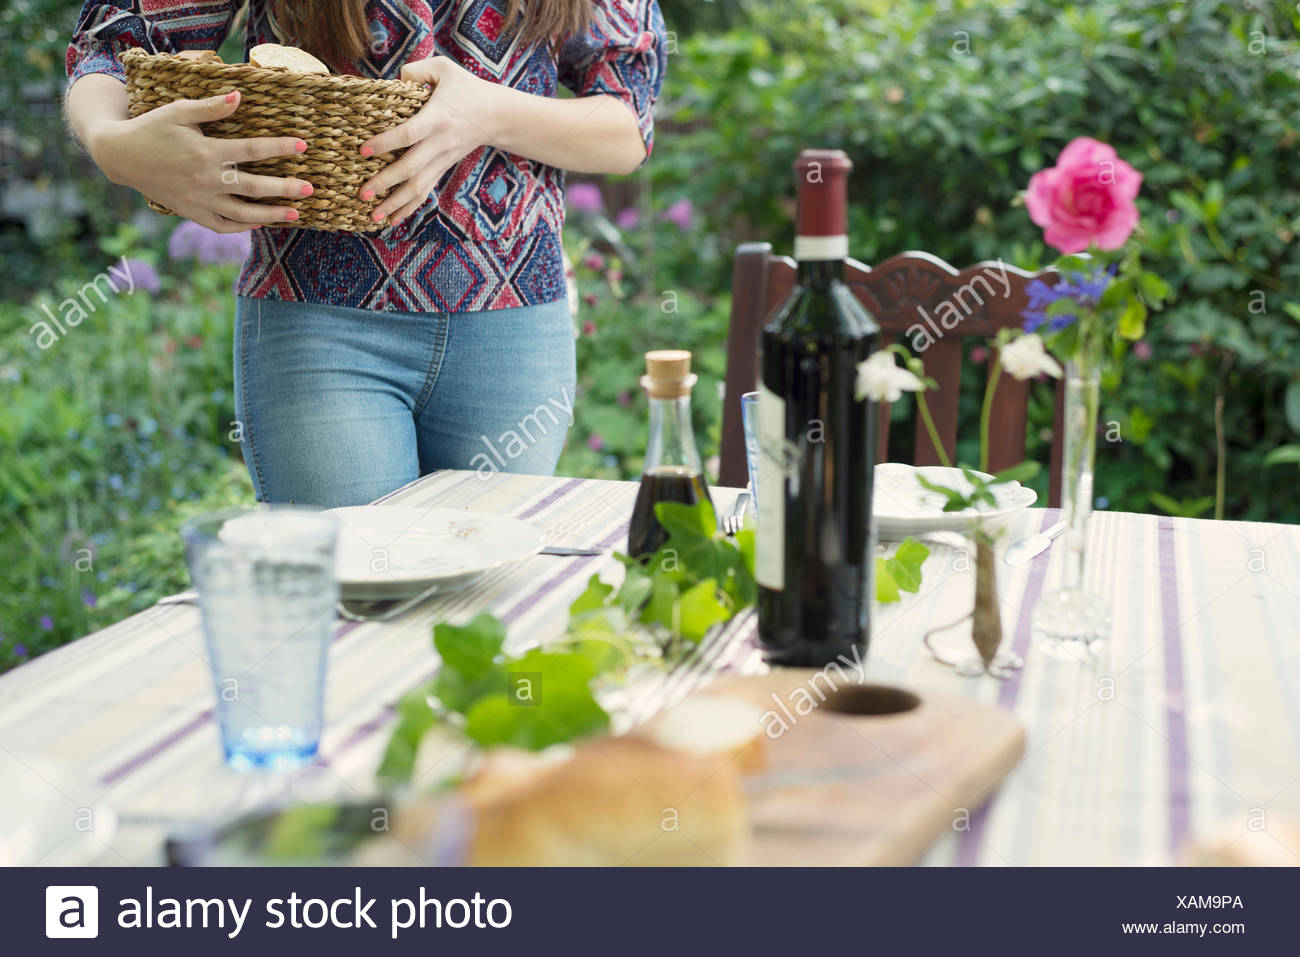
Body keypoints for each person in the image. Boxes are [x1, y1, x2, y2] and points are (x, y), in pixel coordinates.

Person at [64, 0, 666, 507]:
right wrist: (111, 144)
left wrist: (487, 113)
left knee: (488, 609)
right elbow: (113, 48)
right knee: (357, 612)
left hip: (515, 329)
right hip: (321, 322)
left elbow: (626, 123)